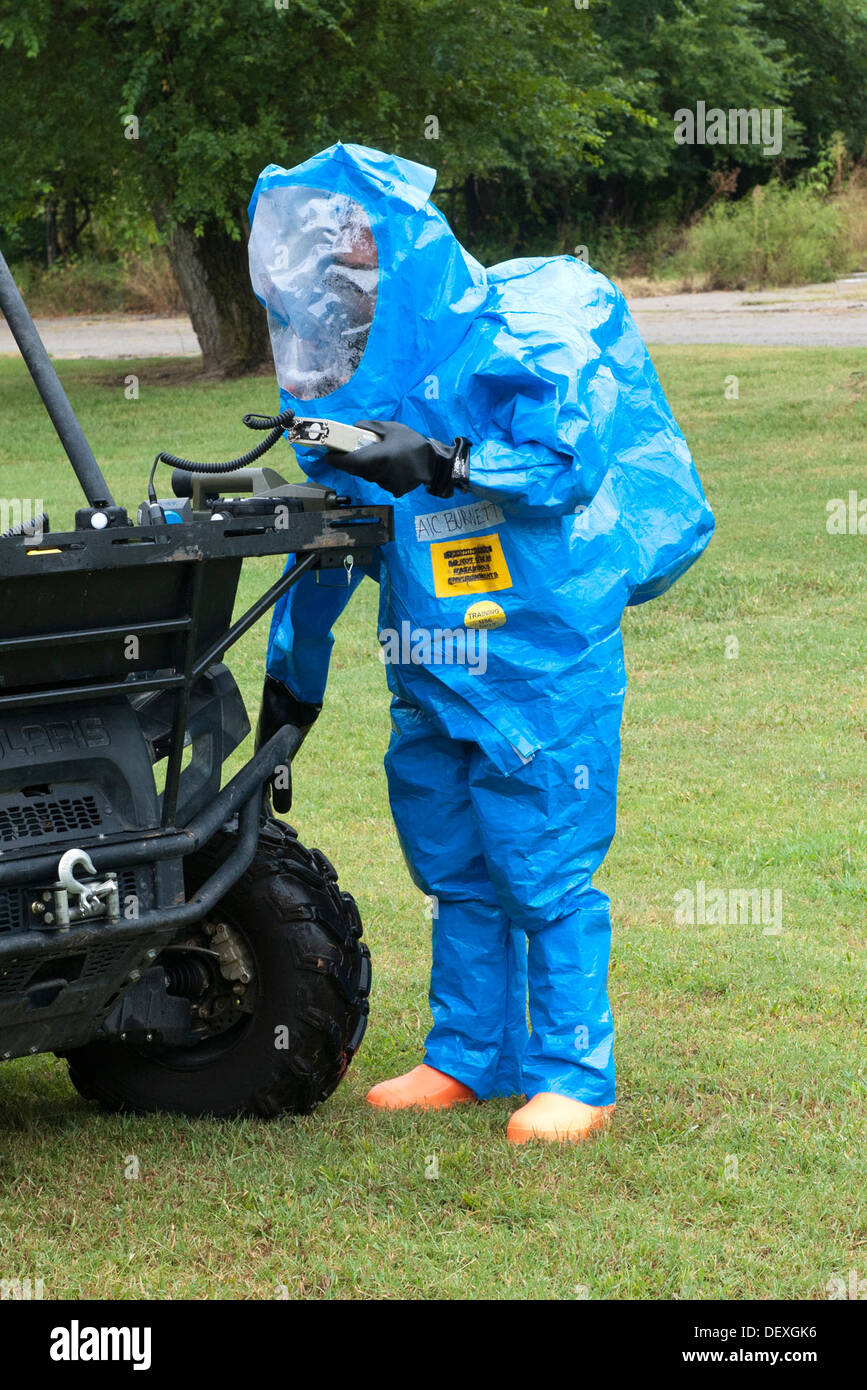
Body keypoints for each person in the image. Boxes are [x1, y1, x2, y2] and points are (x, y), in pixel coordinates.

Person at [249, 143, 714, 1144]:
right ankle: (469, 1053)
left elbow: (570, 463)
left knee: (541, 863)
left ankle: (575, 1071)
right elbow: (329, 541)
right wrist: (293, 691)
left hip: (540, 656)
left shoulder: (518, 341)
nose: (345, 280)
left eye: (361, 255)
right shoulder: (347, 380)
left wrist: (449, 461)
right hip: (429, 662)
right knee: (455, 863)